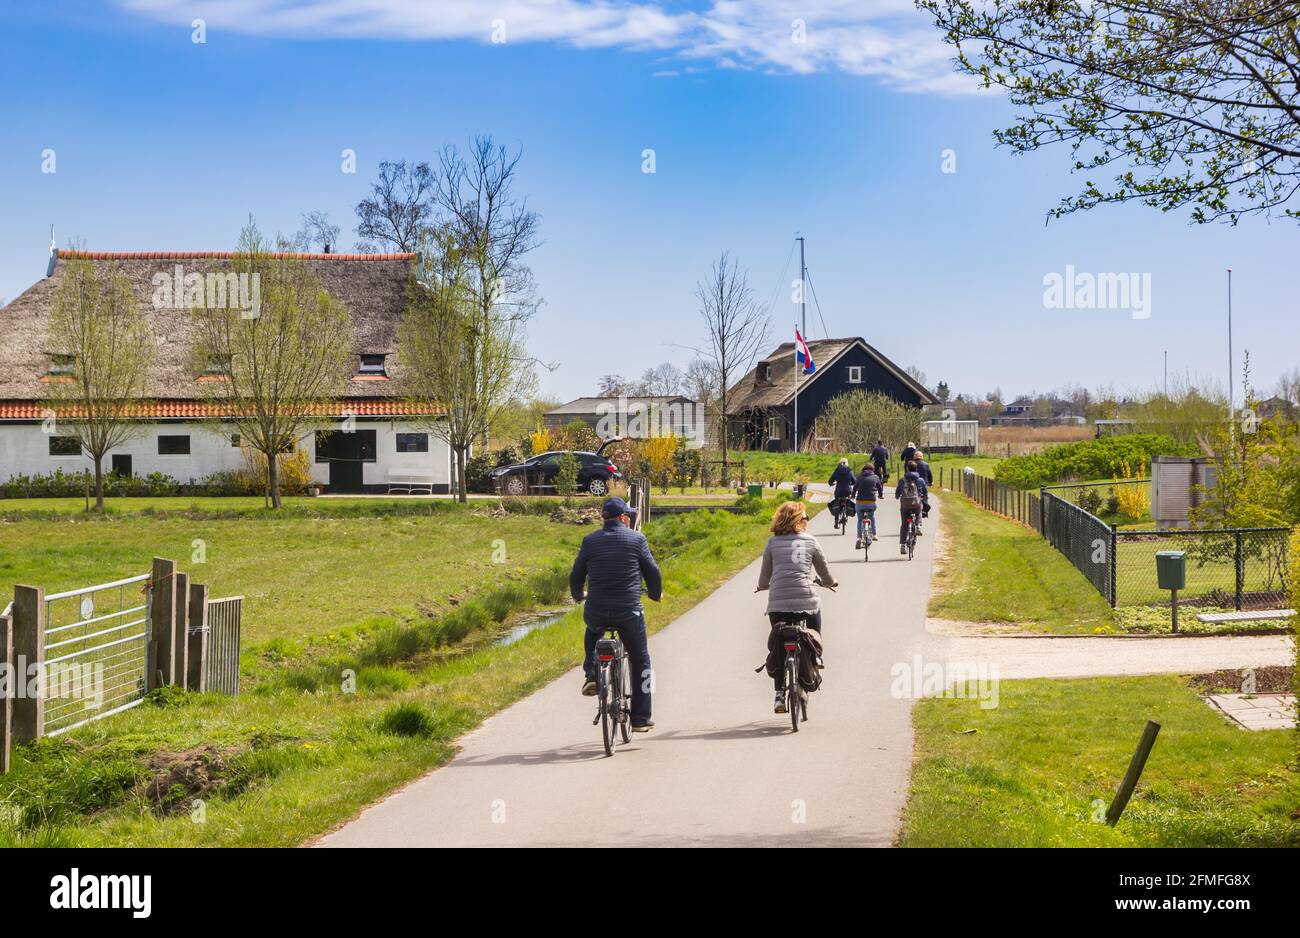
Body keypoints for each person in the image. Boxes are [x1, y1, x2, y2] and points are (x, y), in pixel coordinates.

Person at [570, 496, 662, 732]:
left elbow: (576, 573)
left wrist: (579, 595)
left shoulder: (590, 541)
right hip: (629, 611)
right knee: (641, 659)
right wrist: (654, 594)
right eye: (628, 516)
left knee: (592, 632)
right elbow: (652, 571)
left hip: (597, 609)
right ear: (623, 518)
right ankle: (641, 718)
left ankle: (591, 674)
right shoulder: (637, 539)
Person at [756, 501, 837, 714]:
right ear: (799, 521)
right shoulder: (810, 541)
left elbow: (765, 578)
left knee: (779, 641)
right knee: (814, 631)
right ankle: (815, 658)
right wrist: (830, 582)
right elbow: (825, 574)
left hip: (778, 602)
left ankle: (779, 695)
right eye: (806, 518)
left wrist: (762, 586)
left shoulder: (772, 543)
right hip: (806, 599)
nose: (807, 521)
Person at [895, 460, 928, 554]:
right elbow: (925, 493)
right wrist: (924, 499)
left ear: (907, 469)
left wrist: (898, 496)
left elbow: (897, 493)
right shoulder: (920, 480)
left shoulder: (902, 480)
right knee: (919, 511)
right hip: (916, 503)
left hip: (905, 505)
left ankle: (902, 545)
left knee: (904, 524)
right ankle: (918, 526)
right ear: (916, 469)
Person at [853, 462, 883, 549]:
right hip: (871, 502)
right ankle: (874, 534)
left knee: (859, 520)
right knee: (872, 516)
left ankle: (859, 538)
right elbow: (880, 488)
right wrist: (880, 495)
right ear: (872, 470)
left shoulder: (859, 477)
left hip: (860, 502)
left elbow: (855, 488)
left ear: (863, 469)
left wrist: (852, 495)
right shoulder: (876, 477)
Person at [826, 457, 856, 527]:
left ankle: (836, 521)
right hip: (848, 491)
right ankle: (846, 515)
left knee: (837, 502)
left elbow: (830, 481)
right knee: (848, 501)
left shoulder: (836, 471)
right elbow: (854, 481)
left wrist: (832, 483)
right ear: (847, 463)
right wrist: (851, 483)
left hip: (838, 491)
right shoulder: (850, 471)